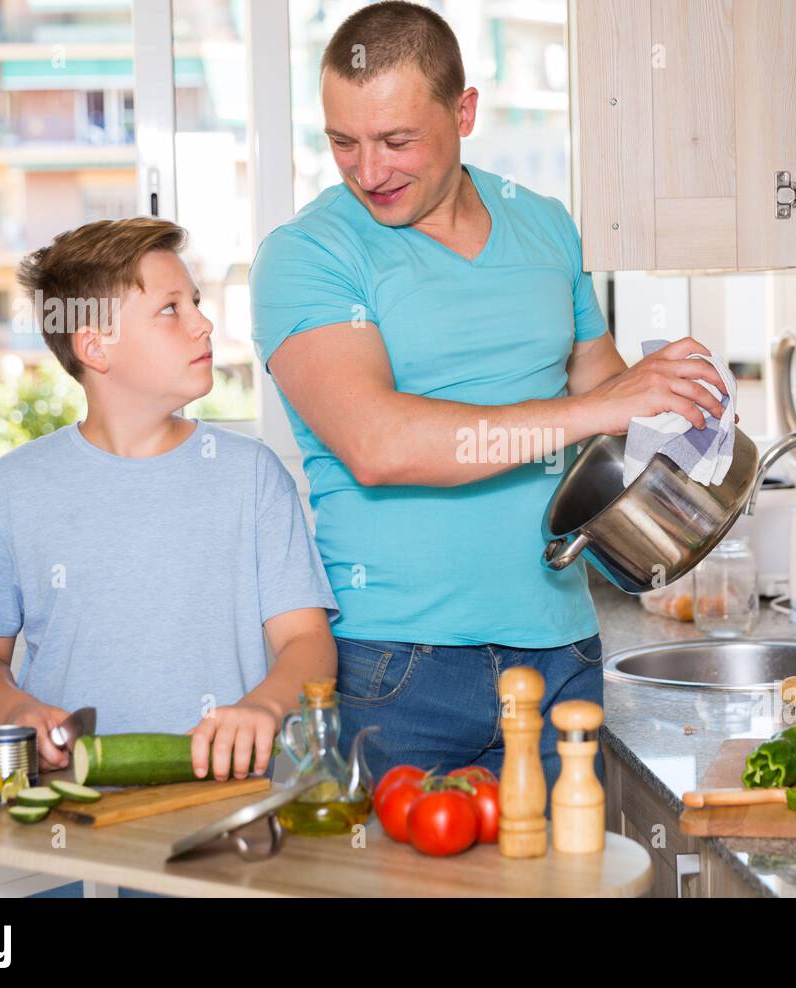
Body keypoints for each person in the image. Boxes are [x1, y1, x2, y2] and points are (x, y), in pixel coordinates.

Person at [249, 2, 727, 795]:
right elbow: (379, 443)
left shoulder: (544, 227)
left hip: (559, 649)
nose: (368, 171)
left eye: (398, 140)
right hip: (392, 667)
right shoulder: (306, 255)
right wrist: (599, 409)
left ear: (464, 111)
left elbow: (603, 396)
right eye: (344, 142)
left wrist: (675, 402)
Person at [0, 217, 339, 790]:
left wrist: (263, 707)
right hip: (68, 809)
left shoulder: (251, 475)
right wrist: (14, 712)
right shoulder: (13, 489)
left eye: (196, 302)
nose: (203, 322)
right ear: (95, 346)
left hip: (221, 802)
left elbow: (307, 641)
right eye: (171, 309)